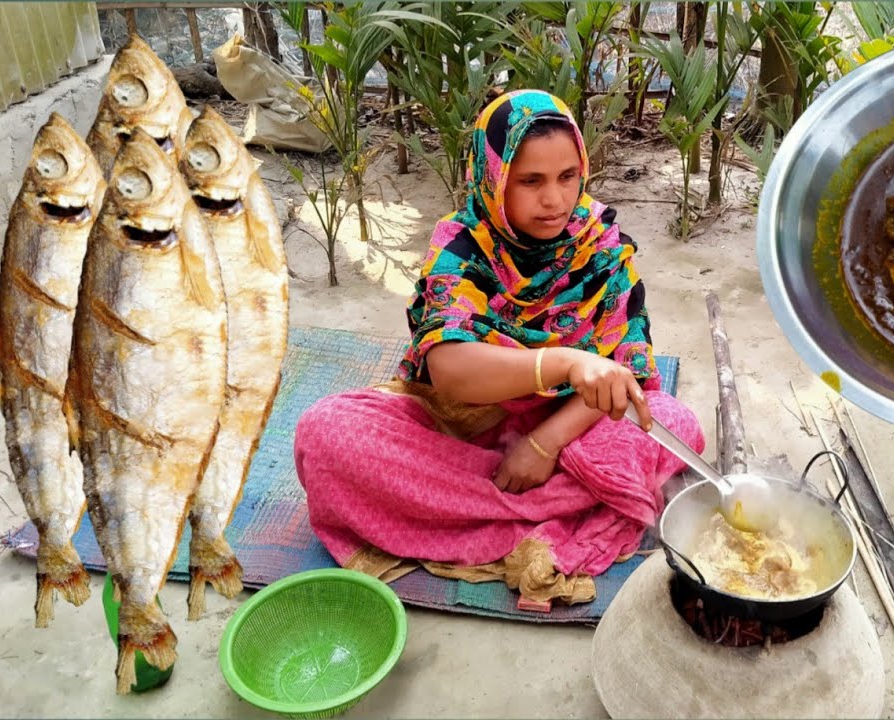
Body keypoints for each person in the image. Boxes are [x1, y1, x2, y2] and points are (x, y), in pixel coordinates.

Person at [293, 89, 704, 603]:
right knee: (326, 436)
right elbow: (450, 371)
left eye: (568, 177)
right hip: (463, 426)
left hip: (573, 427)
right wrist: (565, 361)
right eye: (530, 181)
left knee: (674, 423)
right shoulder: (462, 247)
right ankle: (558, 514)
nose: (554, 200)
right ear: (493, 176)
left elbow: (630, 373)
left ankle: (482, 513)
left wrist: (544, 443)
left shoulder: (600, 244)